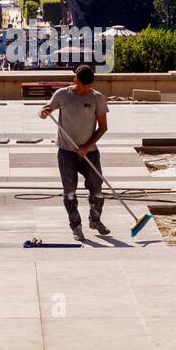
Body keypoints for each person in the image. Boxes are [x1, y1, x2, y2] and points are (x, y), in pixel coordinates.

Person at [39, 64, 110, 240]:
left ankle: (95, 219)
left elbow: (103, 127)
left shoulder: (97, 98)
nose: (86, 89)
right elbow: (46, 109)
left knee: (97, 189)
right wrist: (43, 112)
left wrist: (87, 146)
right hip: (67, 151)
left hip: (90, 152)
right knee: (69, 192)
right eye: (83, 85)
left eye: (89, 86)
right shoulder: (62, 94)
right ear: (75, 80)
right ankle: (76, 226)